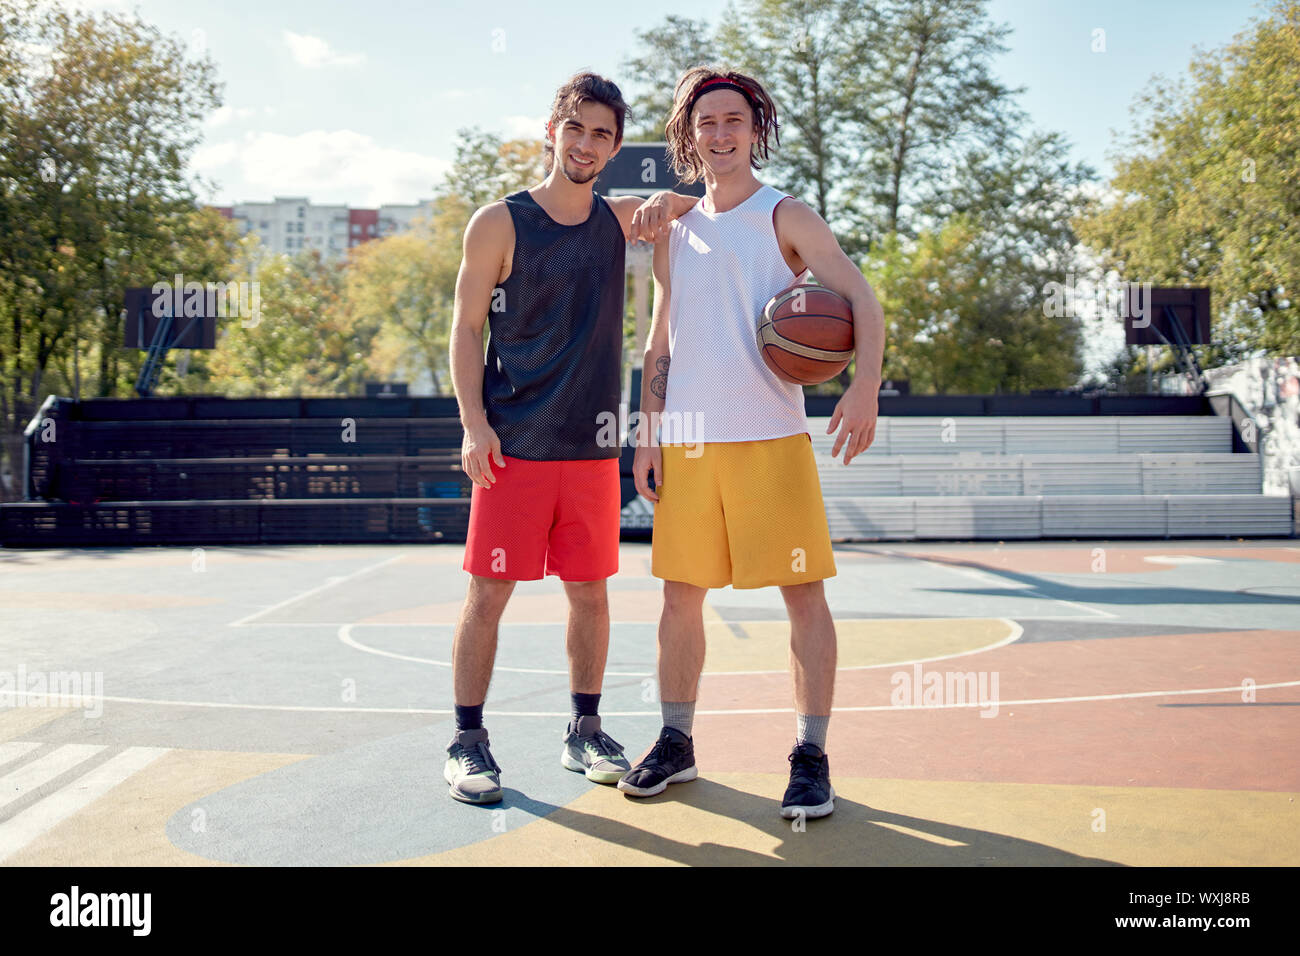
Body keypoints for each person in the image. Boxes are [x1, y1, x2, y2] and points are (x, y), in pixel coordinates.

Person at [619, 67, 885, 819]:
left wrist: (864, 386)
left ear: (755, 127)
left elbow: (860, 296)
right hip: (692, 445)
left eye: (734, 120)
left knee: (804, 597)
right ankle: (676, 741)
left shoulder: (786, 215)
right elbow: (660, 340)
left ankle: (811, 755)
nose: (721, 133)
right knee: (678, 598)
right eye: (706, 123)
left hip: (771, 437)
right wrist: (649, 432)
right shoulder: (674, 228)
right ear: (688, 135)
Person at [444, 71, 698, 805]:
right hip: (512, 446)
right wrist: (472, 422)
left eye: (603, 135)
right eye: (577, 128)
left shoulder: (619, 222)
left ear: (614, 148)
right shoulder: (499, 222)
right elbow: (463, 330)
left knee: (591, 596)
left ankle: (584, 729)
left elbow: (699, 202)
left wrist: (664, 202)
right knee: (488, 594)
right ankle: (467, 740)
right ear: (551, 130)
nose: (587, 144)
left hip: (590, 450)